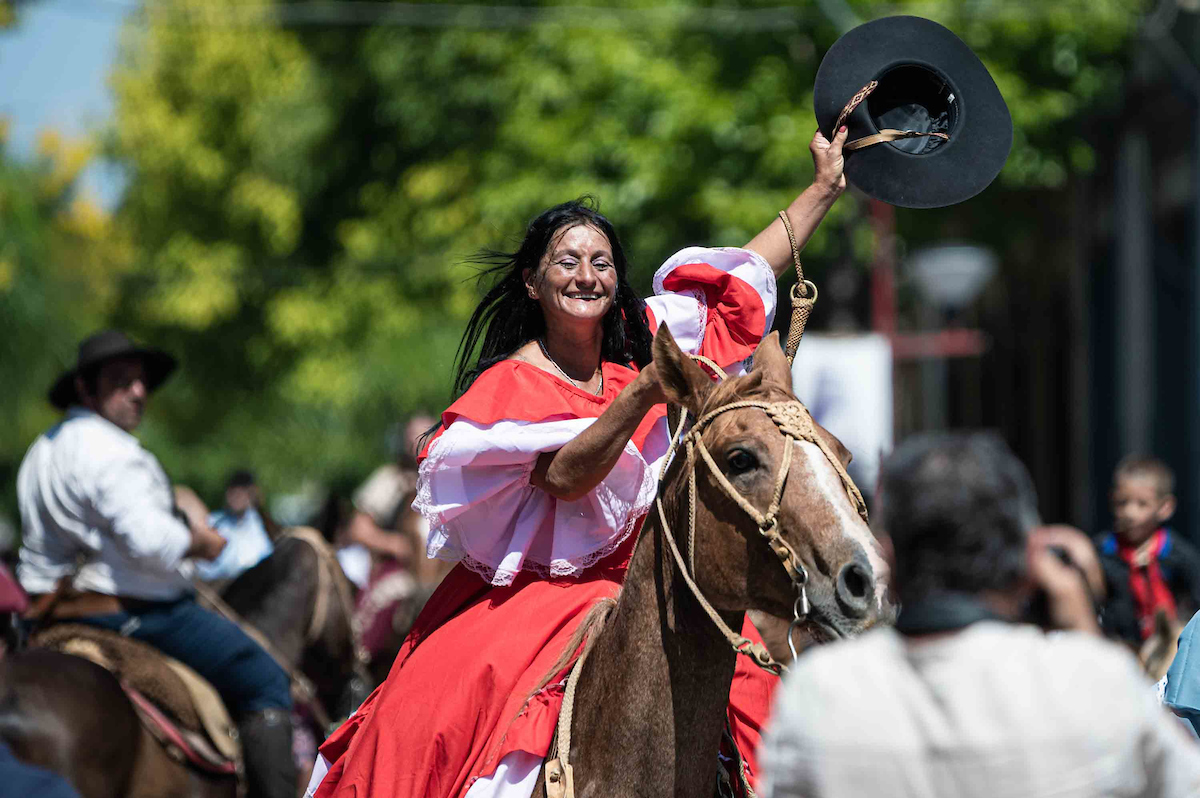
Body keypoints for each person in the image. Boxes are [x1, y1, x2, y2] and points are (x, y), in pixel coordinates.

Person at [306, 126, 858, 798]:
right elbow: (566, 478)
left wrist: (822, 189)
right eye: (566, 262)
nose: (586, 275)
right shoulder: (510, 386)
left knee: (760, 705)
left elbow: (736, 282)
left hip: (653, 582)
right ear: (532, 281)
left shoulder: (639, 342)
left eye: (601, 262)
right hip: (532, 599)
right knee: (427, 719)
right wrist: (643, 393)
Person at [759, 432, 1200, 798]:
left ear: (888, 558)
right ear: (1030, 560)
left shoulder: (818, 694)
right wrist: (1086, 638)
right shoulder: (1096, 685)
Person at [15, 330, 296, 798]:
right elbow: (150, 542)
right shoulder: (112, 450)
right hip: (135, 613)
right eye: (120, 380)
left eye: (141, 381)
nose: (138, 391)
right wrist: (200, 541)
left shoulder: (40, 451)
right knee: (265, 680)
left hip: (48, 615)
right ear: (85, 388)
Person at [1094, 455, 1200, 647]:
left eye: (1142, 504)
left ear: (1165, 507)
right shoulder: (1102, 552)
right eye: (1122, 503)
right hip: (1118, 649)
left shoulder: (1180, 556)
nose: (1130, 513)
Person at [195, 469, 274, 583]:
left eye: (241, 492)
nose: (237, 497)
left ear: (251, 494)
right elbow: (203, 566)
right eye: (233, 492)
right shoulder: (213, 522)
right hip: (217, 585)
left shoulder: (262, 524)